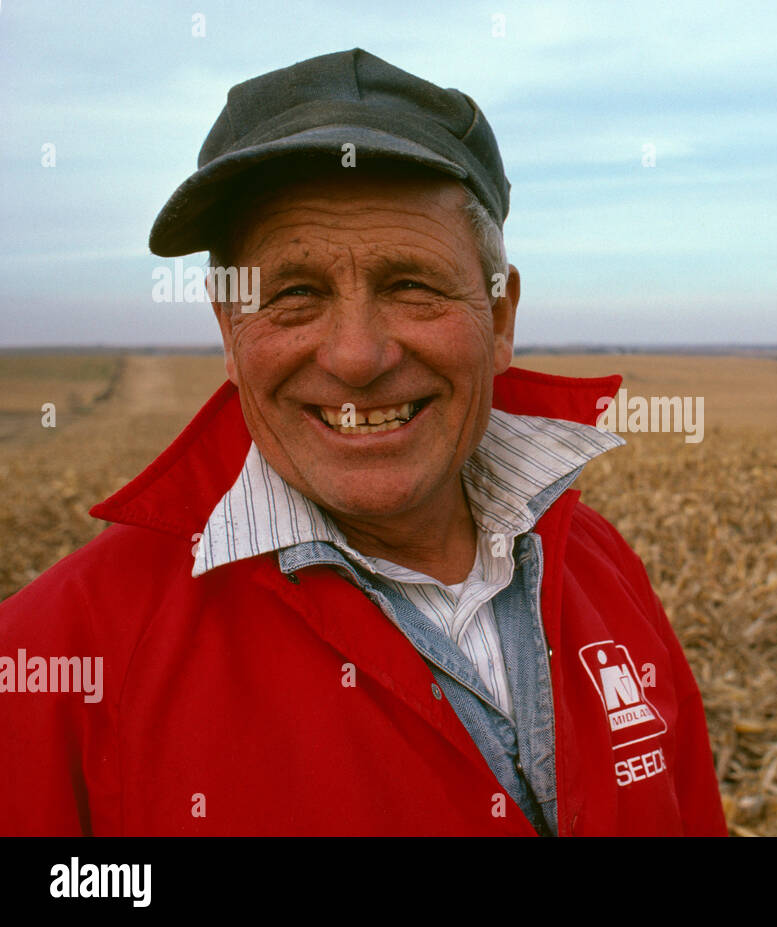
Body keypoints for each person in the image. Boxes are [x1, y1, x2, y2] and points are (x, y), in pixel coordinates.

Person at [0, 48, 727, 837]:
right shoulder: (58, 659)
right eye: (295, 293)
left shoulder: (601, 566)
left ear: (502, 319)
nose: (356, 355)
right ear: (228, 328)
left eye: (411, 283)